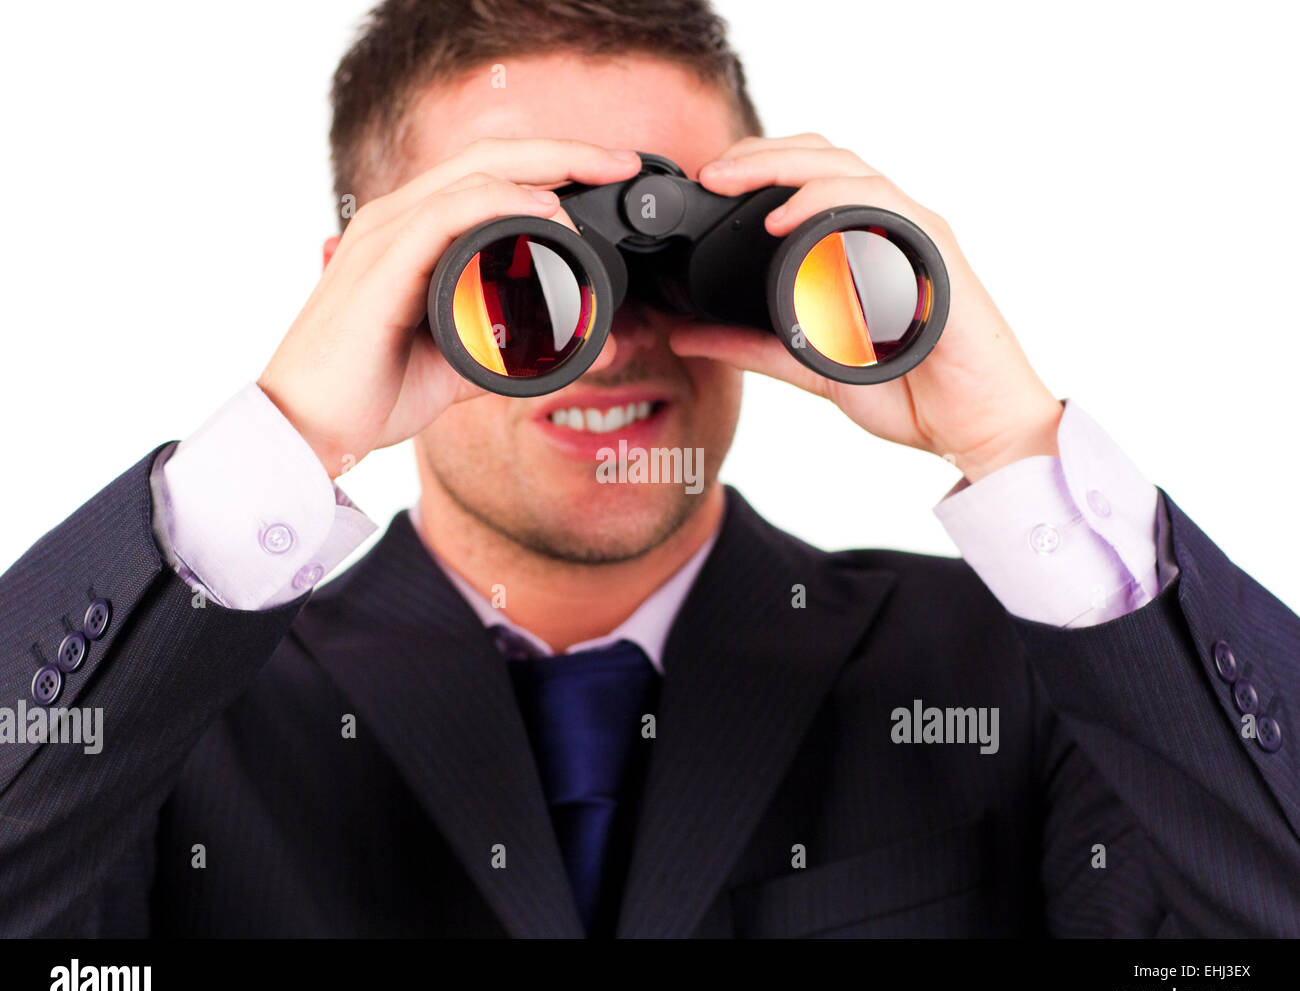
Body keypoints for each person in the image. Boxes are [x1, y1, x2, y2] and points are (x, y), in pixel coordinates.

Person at [2, 0, 1297, 939]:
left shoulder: (1015, 665)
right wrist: (287, 432)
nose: (611, 343)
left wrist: (1015, 442)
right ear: (369, 293)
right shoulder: (179, 711)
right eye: (520, 272)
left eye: (683, 264)